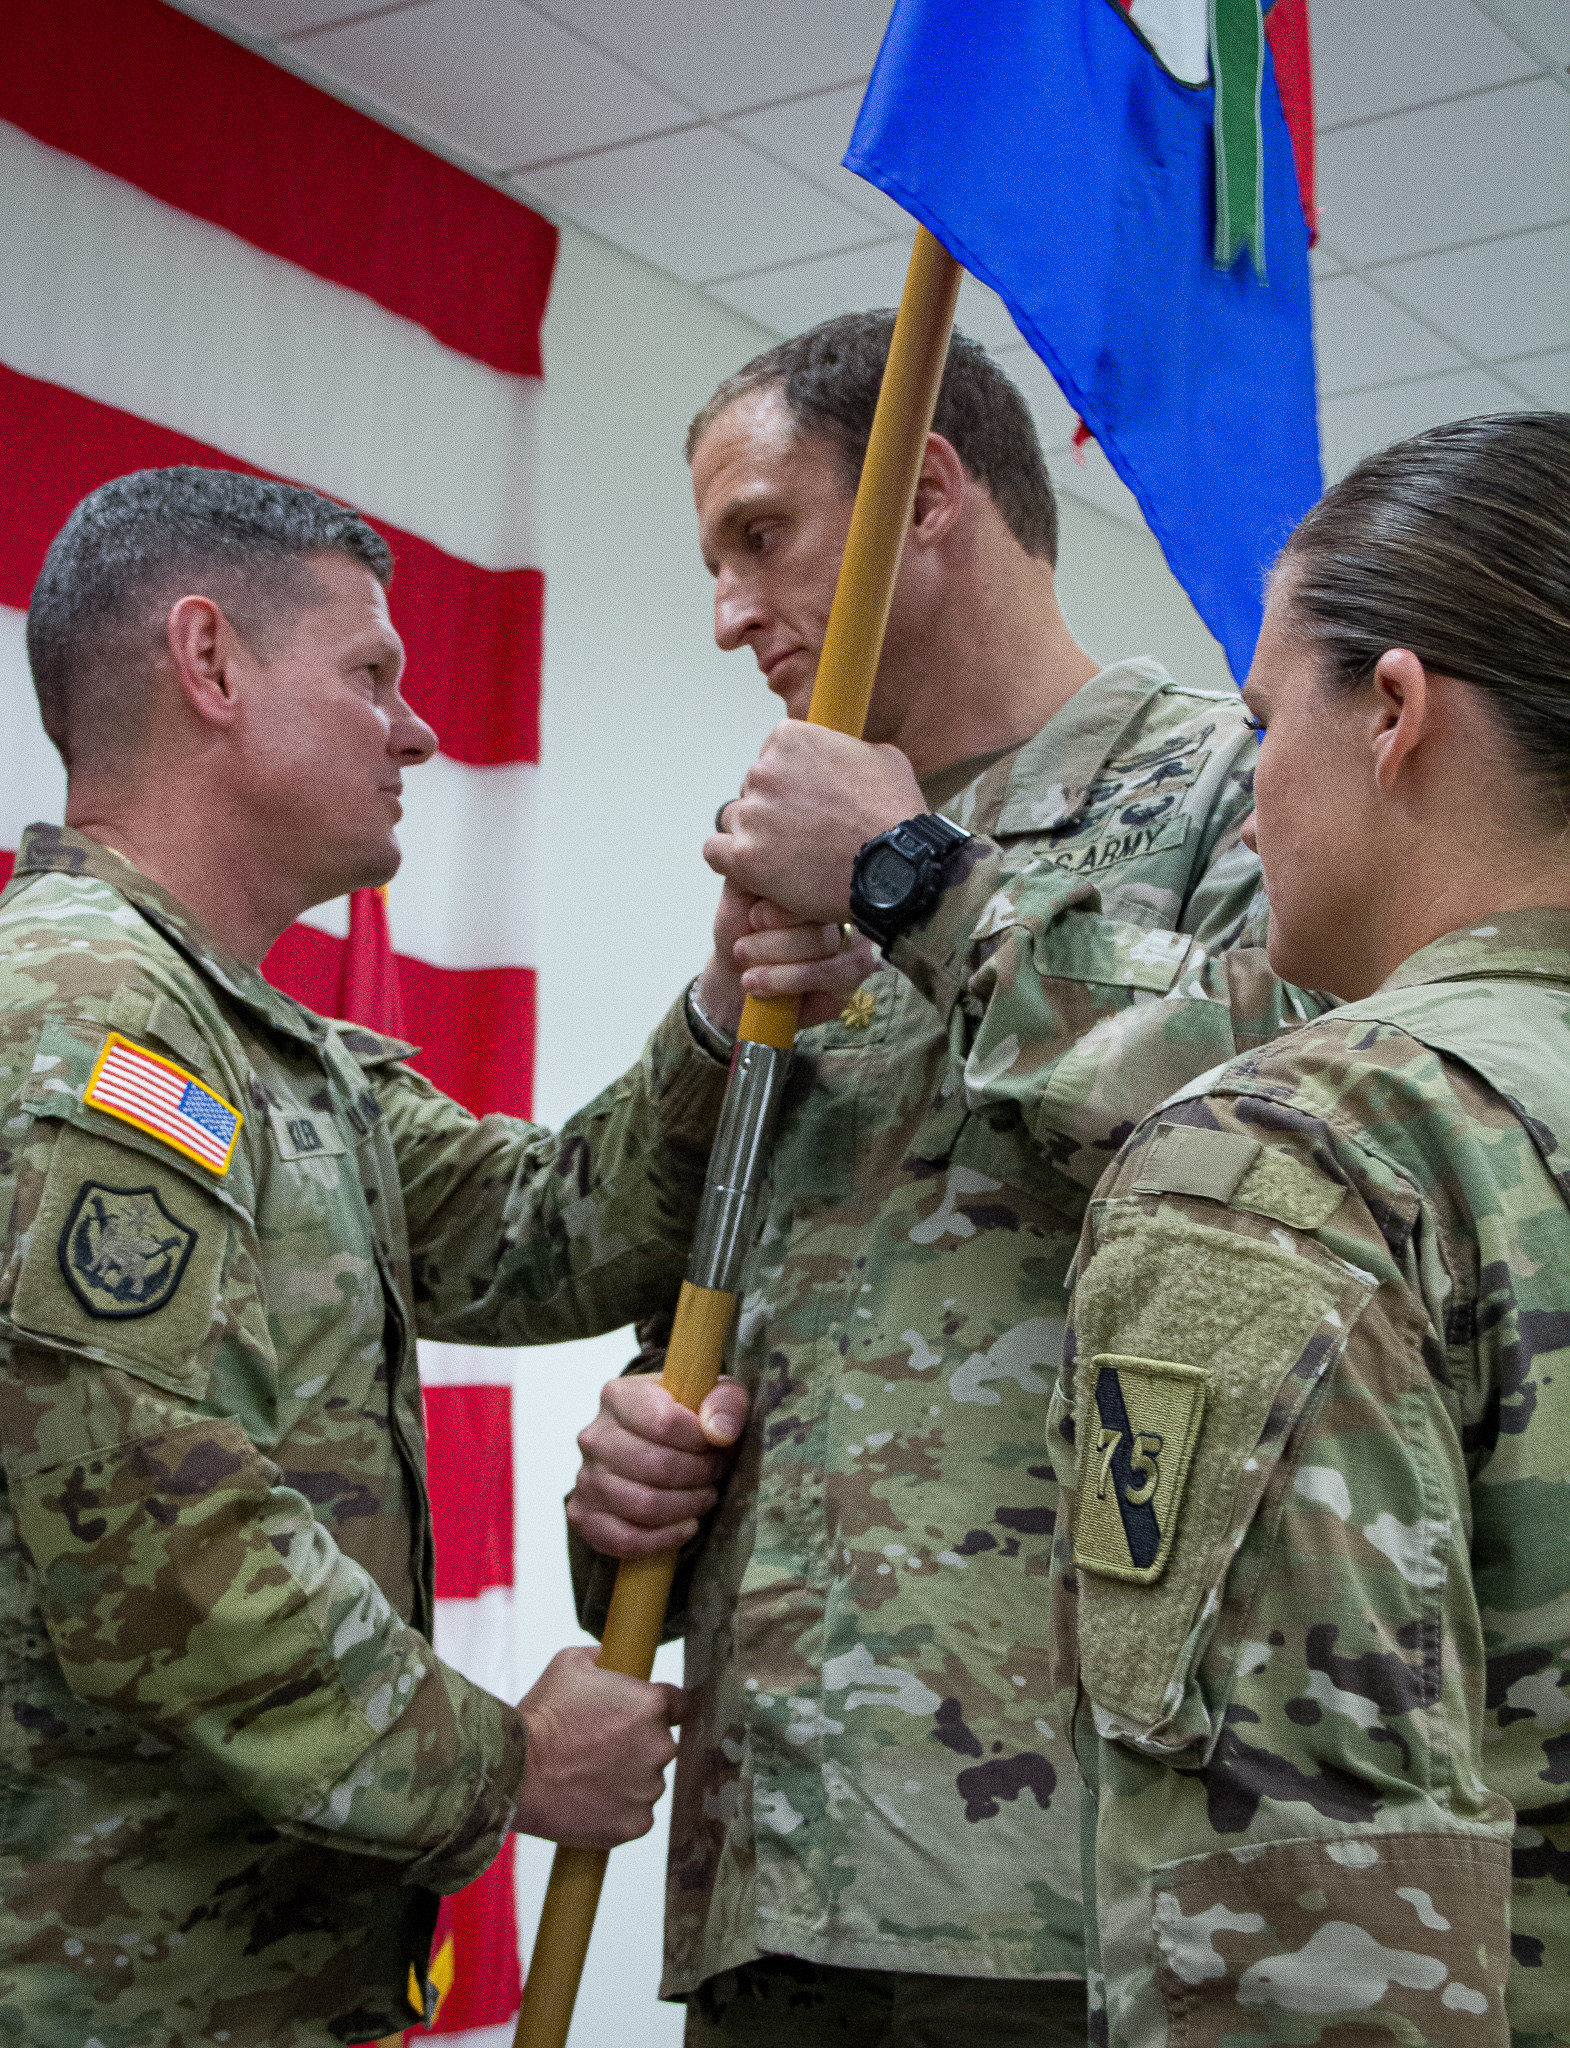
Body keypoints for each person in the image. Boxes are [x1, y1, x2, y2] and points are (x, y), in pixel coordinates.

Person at [0, 467, 866, 2048]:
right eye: (371, 677)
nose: (415, 732)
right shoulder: (80, 1017)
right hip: (8, 1976)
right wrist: (513, 1766)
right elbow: (166, 1551)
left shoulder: (270, 1060)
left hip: (165, 1976)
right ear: (208, 665)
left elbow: (543, 1230)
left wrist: (717, 1015)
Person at [566, 312, 1323, 2044]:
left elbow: (1265, 1149)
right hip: (778, 1869)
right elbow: (761, 1310)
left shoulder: (1231, 787)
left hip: (1076, 1892)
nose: (726, 613)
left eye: (760, 535)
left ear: (924, 493)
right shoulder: (778, 907)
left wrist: (916, 883)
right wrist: (630, 1487)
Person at [1050, 411, 1570, 2048]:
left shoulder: (1300, 1151)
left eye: (1265, 720)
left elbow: (1307, 1953)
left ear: (1395, 714)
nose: (1247, 792)